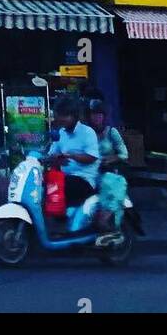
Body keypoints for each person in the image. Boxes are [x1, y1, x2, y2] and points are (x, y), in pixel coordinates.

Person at [84, 97, 129, 245]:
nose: (97, 117)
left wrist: (108, 159)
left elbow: (124, 154)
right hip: (88, 172)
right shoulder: (86, 133)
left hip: (107, 172)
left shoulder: (111, 132)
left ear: (104, 116)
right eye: (93, 114)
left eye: (99, 114)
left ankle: (105, 222)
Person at [44, 96, 100, 211]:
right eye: (59, 115)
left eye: (65, 115)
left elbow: (92, 157)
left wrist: (71, 156)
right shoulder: (61, 133)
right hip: (65, 177)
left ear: (74, 116)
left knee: (62, 185)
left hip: (85, 180)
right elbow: (52, 154)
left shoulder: (87, 132)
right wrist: (54, 159)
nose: (61, 119)